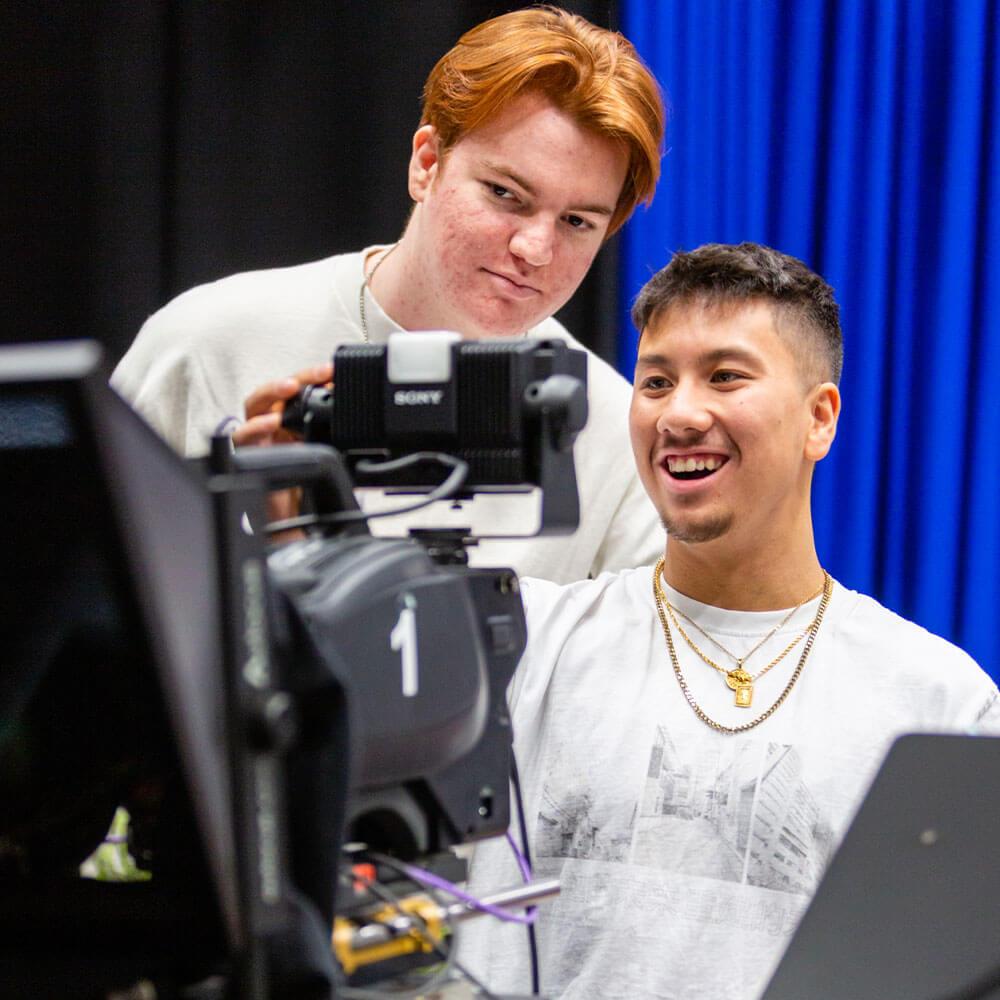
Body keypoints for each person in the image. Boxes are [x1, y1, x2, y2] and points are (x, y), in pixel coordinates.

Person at [461, 242, 1000, 999]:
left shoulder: (939, 701)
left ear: (819, 419)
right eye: (656, 381)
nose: (679, 414)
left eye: (725, 376)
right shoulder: (521, 639)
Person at [111, 6, 666, 583]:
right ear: (427, 164)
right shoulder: (208, 344)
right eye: (505, 193)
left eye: (576, 222)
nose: (535, 249)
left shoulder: (616, 431)